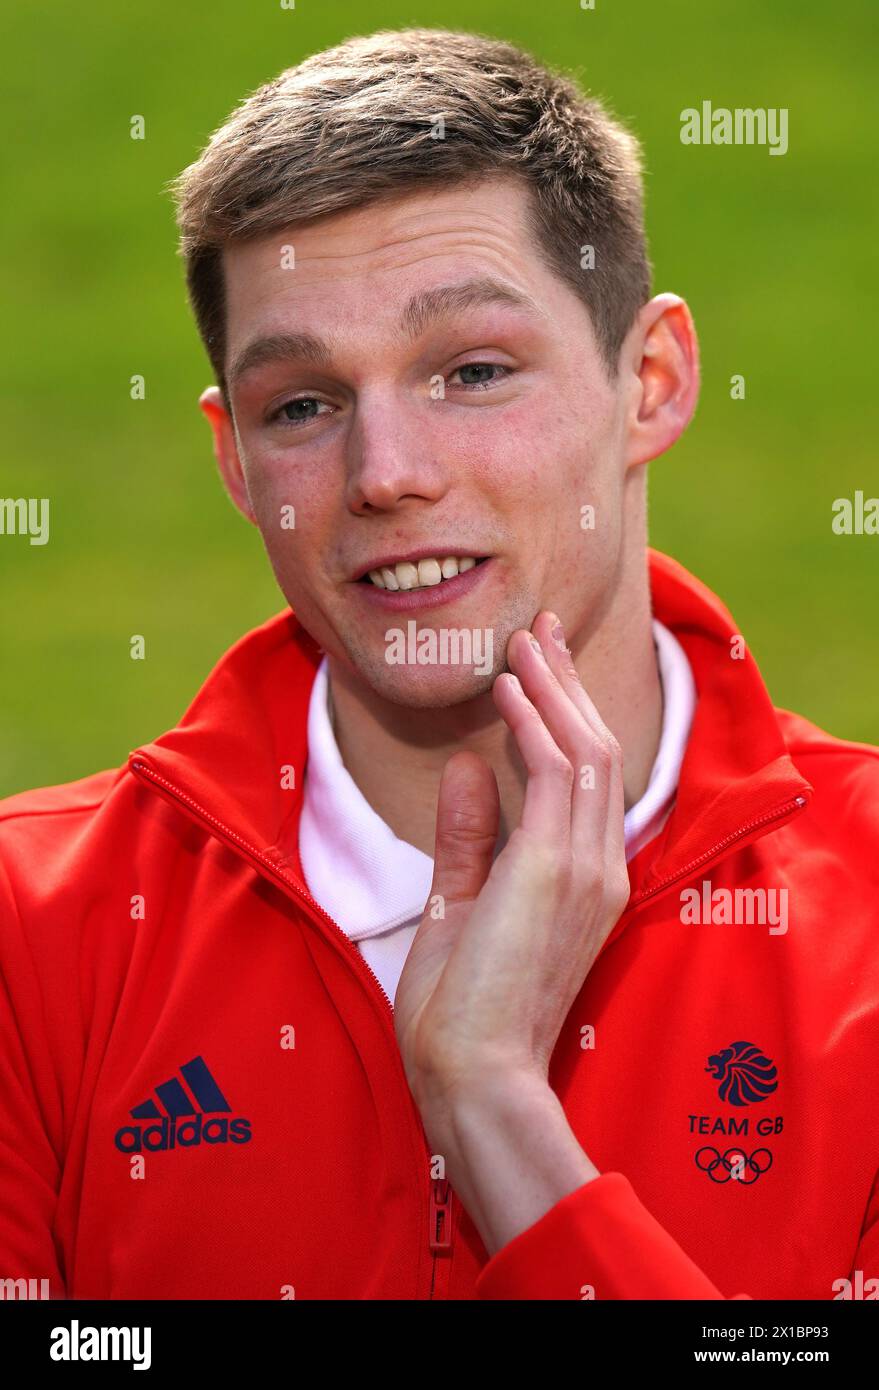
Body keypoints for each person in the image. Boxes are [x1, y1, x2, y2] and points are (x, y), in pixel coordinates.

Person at [1, 28, 877, 1302]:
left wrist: (498, 1116)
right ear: (235, 462)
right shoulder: (32, 933)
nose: (386, 471)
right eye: (302, 402)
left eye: (472, 371)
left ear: (652, 380)